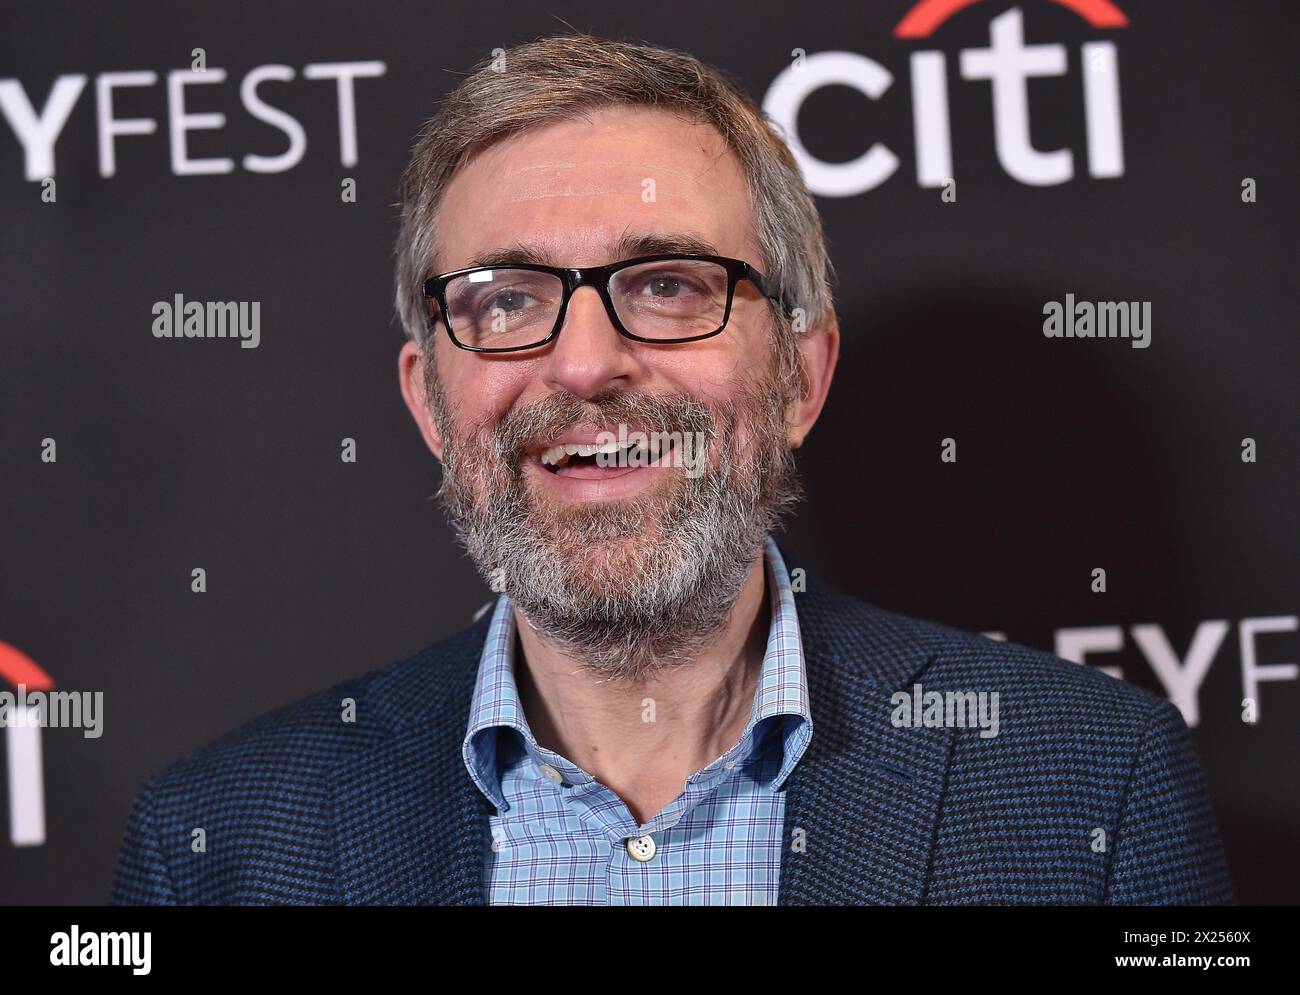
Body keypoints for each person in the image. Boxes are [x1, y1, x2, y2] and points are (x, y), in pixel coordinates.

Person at [113, 34, 1232, 905]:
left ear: (799, 372)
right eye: (507, 299)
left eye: (668, 286)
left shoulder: (1092, 784)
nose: (587, 362)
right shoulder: (221, 840)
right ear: (427, 399)